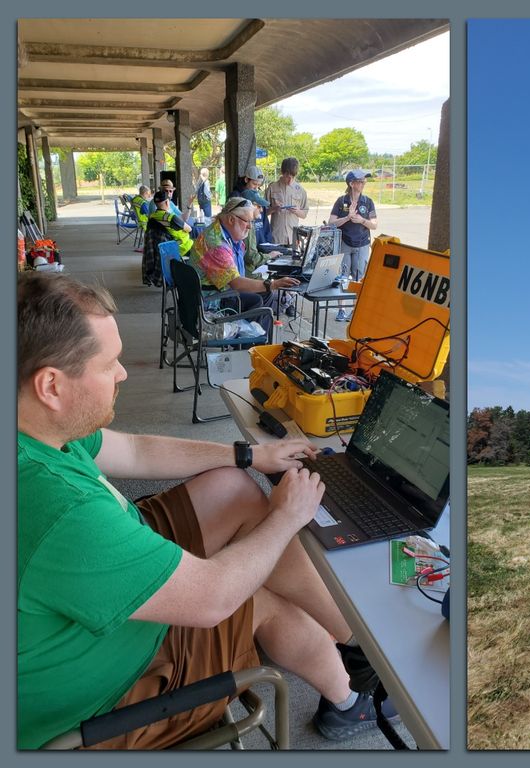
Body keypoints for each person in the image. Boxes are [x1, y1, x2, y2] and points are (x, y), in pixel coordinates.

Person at [16, 273, 397, 749]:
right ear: (51, 385)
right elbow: (211, 599)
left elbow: (133, 452)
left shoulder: (36, 427)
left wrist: (249, 455)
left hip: (96, 586)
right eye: (109, 363)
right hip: (103, 703)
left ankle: (359, 644)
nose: (123, 373)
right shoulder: (56, 506)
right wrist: (286, 516)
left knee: (231, 488)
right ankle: (353, 701)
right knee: (254, 597)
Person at [186, 197, 299, 312]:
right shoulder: (216, 245)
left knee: (265, 295)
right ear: (231, 220)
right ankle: (255, 328)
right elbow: (237, 284)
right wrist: (273, 284)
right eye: (247, 221)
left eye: (252, 221)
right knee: (259, 299)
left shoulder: (225, 233)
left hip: (218, 291)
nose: (250, 226)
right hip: (211, 301)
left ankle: (259, 327)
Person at [328, 170, 378, 321]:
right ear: (351, 183)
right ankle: (341, 310)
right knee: (343, 277)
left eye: (364, 181)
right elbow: (331, 222)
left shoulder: (368, 202)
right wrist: (348, 217)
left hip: (362, 243)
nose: (363, 184)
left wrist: (362, 220)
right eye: (360, 181)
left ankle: (355, 310)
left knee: (359, 277)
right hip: (344, 242)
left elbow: (374, 225)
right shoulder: (341, 201)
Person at [142, 191, 194, 287]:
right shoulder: (171, 218)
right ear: (167, 202)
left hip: (163, 252)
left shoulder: (152, 218)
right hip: (181, 249)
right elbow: (189, 229)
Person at [265, 158, 309, 248]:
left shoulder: (301, 190)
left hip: (293, 237)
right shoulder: (272, 188)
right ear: (282, 172)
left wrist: (297, 211)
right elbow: (262, 213)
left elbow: (304, 215)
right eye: (287, 176)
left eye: (292, 177)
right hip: (276, 237)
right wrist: (273, 209)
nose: (290, 180)